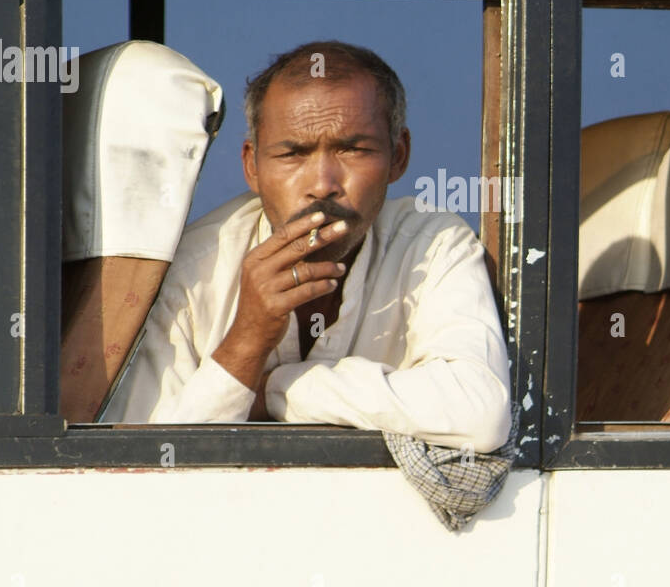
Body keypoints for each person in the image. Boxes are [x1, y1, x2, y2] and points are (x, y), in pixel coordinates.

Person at [106, 41, 512, 456]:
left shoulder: (432, 244)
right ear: (252, 166)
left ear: (398, 157)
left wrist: (277, 390)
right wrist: (246, 340)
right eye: (292, 153)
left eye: (353, 150)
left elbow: (479, 415)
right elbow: (151, 467)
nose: (322, 184)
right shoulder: (193, 270)